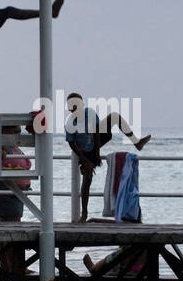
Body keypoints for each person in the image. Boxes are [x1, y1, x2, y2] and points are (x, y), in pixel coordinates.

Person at [63, 92, 150, 222]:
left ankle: (136, 142)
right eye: (73, 106)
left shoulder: (89, 113)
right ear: (70, 108)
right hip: (84, 151)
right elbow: (72, 144)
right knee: (87, 180)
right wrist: (85, 161)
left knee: (114, 116)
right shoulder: (70, 123)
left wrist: (97, 154)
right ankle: (84, 214)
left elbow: (97, 133)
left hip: (97, 140)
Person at [0, 124, 32, 273]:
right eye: (14, 131)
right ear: (3, 131)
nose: (18, 133)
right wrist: (0, 148)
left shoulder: (16, 146)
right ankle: (8, 265)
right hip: (4, 190)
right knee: (7, 229)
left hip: (17, 193)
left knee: (15, 228)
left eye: (19, 130)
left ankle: (15, 264)